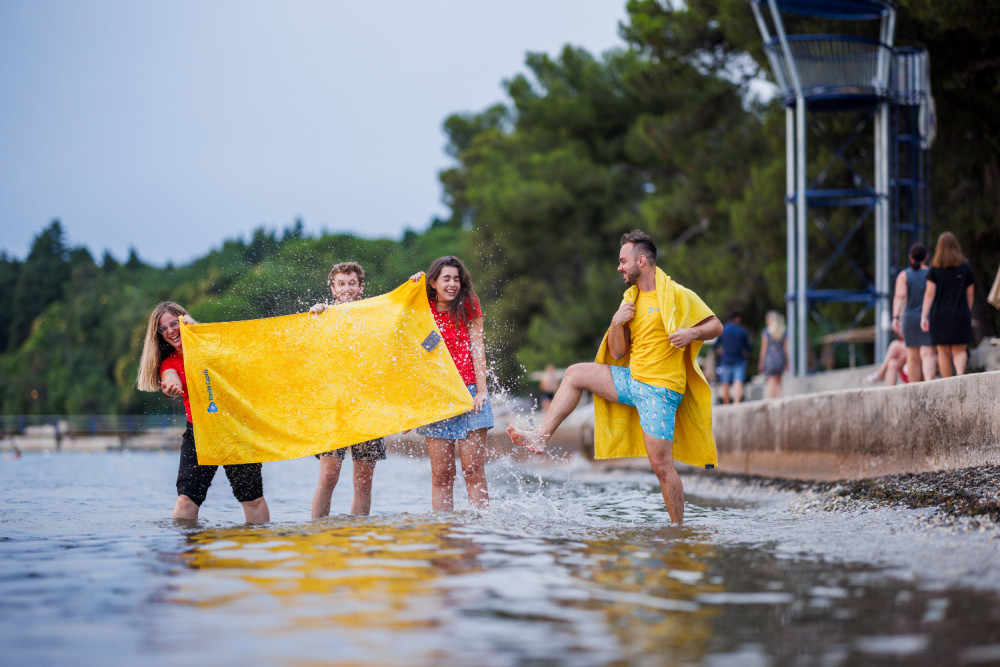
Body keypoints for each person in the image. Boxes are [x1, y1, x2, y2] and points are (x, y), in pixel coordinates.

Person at [508, 230, 722, 525]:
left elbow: (716, 325)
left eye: (624, 261)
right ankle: (541, 436)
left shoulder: (677, 294)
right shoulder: (629, 300)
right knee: (573, 374)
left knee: (661, 467)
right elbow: (619, 353)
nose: (620, 267)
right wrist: (616, 323)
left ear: (642, 261)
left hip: (660, 391)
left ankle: (677, 530)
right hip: (631, 380)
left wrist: (692, 332)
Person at [137, 302, 270, 523]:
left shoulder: (212, 343)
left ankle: (257, 550)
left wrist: (197, 329)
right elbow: (170, 378)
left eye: (174, 323)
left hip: (234, 430)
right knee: (185, 500)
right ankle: (190, 554)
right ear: (159, 335)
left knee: (252, 499)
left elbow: (232, 356)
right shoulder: (168, 363)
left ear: (184, 320)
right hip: (199, 433)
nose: (171, 331)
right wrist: (170, 388)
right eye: (163, 329)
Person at [410, 256, 493, 511]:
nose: (452, 284)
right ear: (433, 282)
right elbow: (408, 352)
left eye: (456, 279)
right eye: (446, 278)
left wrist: (482, 391)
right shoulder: (422, 307)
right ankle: (444, 532)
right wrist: (413, 287)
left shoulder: (468, 304)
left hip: (470, 394)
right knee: (442, 475)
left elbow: (478, 348)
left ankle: (480, 529)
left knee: (472, 470)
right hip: (436, 397)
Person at [308, 262, 387, 518]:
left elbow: (389, 361)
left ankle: (359, 536)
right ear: (332, 288)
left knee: (363, 483)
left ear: (361, 287)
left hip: (368, 408)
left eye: (352, 283)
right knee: (329, 477)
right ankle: (319, 532)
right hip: (334, 408)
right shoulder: (323, 316)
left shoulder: (374, 316)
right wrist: (317, 316)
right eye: (341, 284)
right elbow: (308, 353)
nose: (347, 288)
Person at [921, 232, 976, 377]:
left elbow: (929, 293)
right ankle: (959, 374)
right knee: (960, 349)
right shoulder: (965, 268)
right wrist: (966, 310)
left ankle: (947, 382)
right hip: (960, 313)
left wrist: (924, 315)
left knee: (943, 351)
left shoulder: (934, 269)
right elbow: (970, 293)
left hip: (939, 315)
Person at [891, 243, 937, 382]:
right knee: (928, 354)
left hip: (910, 319)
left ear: (910, 257)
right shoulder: (932, 273)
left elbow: (900, 296)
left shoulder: (904, 276)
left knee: (912, 357)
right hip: (928, 318)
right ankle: (930, 385)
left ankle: (914, 389)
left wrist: (895, 317)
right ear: (926, 257)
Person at [714, 311, 751, 404]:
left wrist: (721, 352)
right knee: (738, 382)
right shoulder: (742, 330)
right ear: (737, 318)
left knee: (725, 383)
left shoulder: (723, 330)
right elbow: (748, 348)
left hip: (726, 360)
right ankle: (736, 403)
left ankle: (726, 404)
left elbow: (715, 347)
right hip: (739, 359)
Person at [757, 310, 788, 399]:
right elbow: (786, 348)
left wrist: (761, 362)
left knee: (771, 381)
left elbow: (764, 348)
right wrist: (787, 361)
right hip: (780, 358)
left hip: (770, 359)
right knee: (779, 382)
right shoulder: (783, 331)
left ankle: (772, 400)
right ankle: (780, 400)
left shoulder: (766, 332)